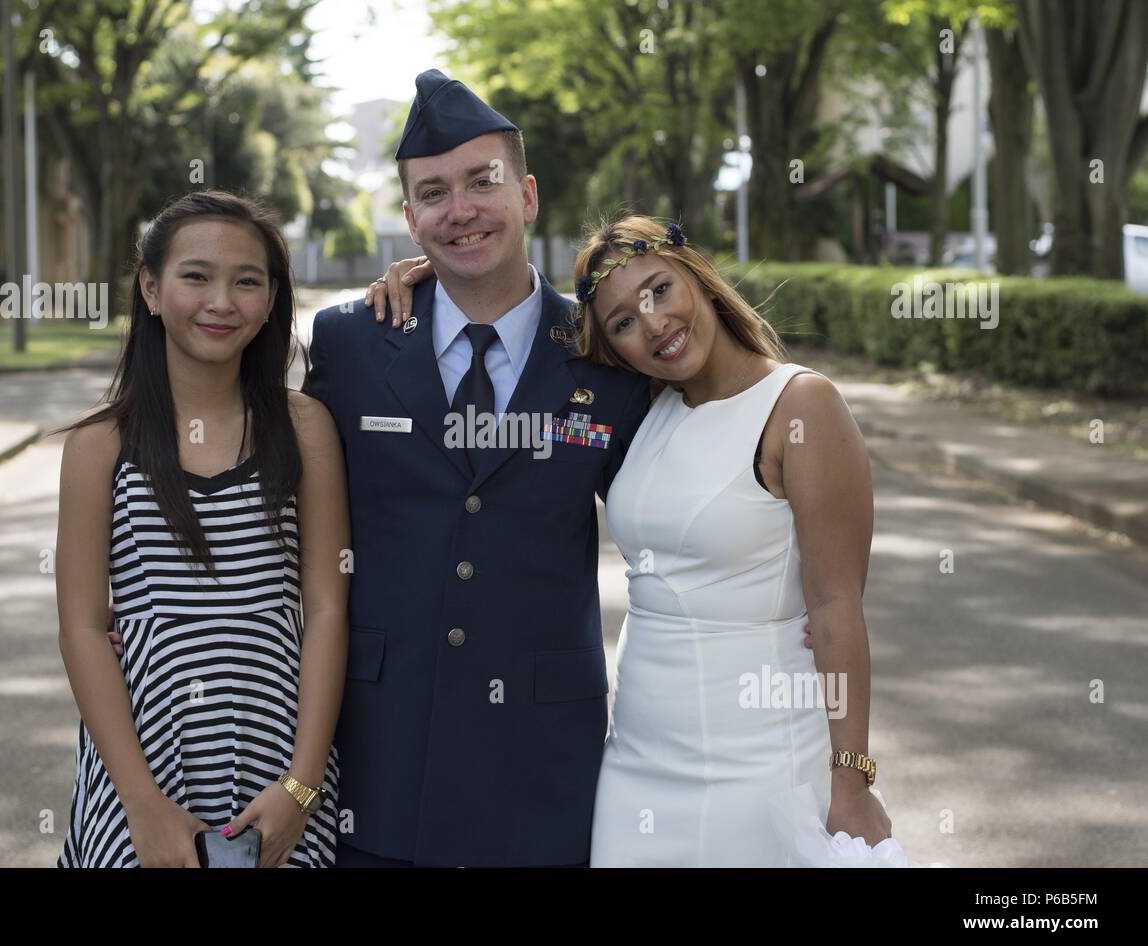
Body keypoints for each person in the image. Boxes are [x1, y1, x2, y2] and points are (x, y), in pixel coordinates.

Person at [369, 215, 892, 866]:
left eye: (659, 291)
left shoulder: (801, 405)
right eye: (621, 322)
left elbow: (837, 608)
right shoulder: (643, 407)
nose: (653, 324)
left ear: (697, 276)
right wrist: (443, 277)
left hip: (757, 758)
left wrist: (852, 778)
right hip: (636, 761)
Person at [303, 69, 653, 867]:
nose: (459, 210)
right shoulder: (351, 343)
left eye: (481, 182)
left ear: (527, 196)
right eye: (433, 193)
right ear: (410, 219)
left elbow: (673, 514)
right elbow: (286, 497)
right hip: (380, 765)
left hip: (544, 767)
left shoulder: (604, 355)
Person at [53, 190, 348, 867]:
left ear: (271, 300)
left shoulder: (304, 428)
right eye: (196, 276)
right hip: (142, 768)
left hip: (281, 762)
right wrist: (141, 803)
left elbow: (328, 609)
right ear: (151, 288)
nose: (221, 302)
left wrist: (302, 786)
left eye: (247, 281)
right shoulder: (100, 446)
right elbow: (83, 629)